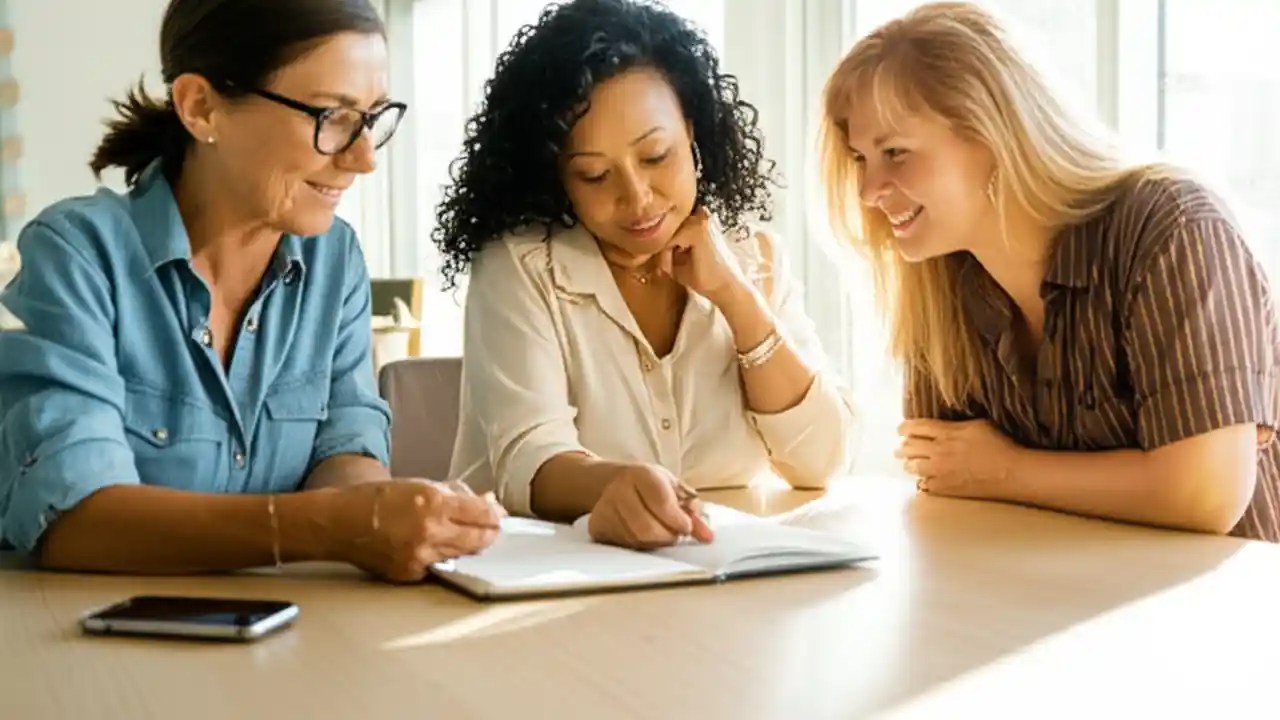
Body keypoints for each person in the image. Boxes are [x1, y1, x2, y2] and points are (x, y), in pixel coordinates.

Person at [0, 0, 502, 582]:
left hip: (291, 634)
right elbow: (74, 519)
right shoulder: (79, 253)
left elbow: (346, 451)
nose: (363, 159)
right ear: (201, 107)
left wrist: (392, 520)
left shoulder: (333, 259)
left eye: (372, 119)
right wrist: (332, 527)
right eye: (332, 116)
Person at [819, 1, 1279, 541]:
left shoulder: (1171, 229)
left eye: (895, 153)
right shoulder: (939, 285)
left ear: (992, 134)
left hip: (1230, 610)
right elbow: (947, 481)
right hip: (1059, 607)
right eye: (859, 160)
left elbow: (1207, 493)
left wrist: (1005, 469)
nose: (869, 192)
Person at [436, 0, 859, 551]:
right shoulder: (521, 267)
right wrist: (618, 484)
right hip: (549, 585)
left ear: (692, 132)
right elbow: (527, 464)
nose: (636, 199)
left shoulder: (751, 256)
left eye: (656, 156)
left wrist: (734, 296)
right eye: (594, 174)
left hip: (721, 577)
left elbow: (823, 461)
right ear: (556, 177)